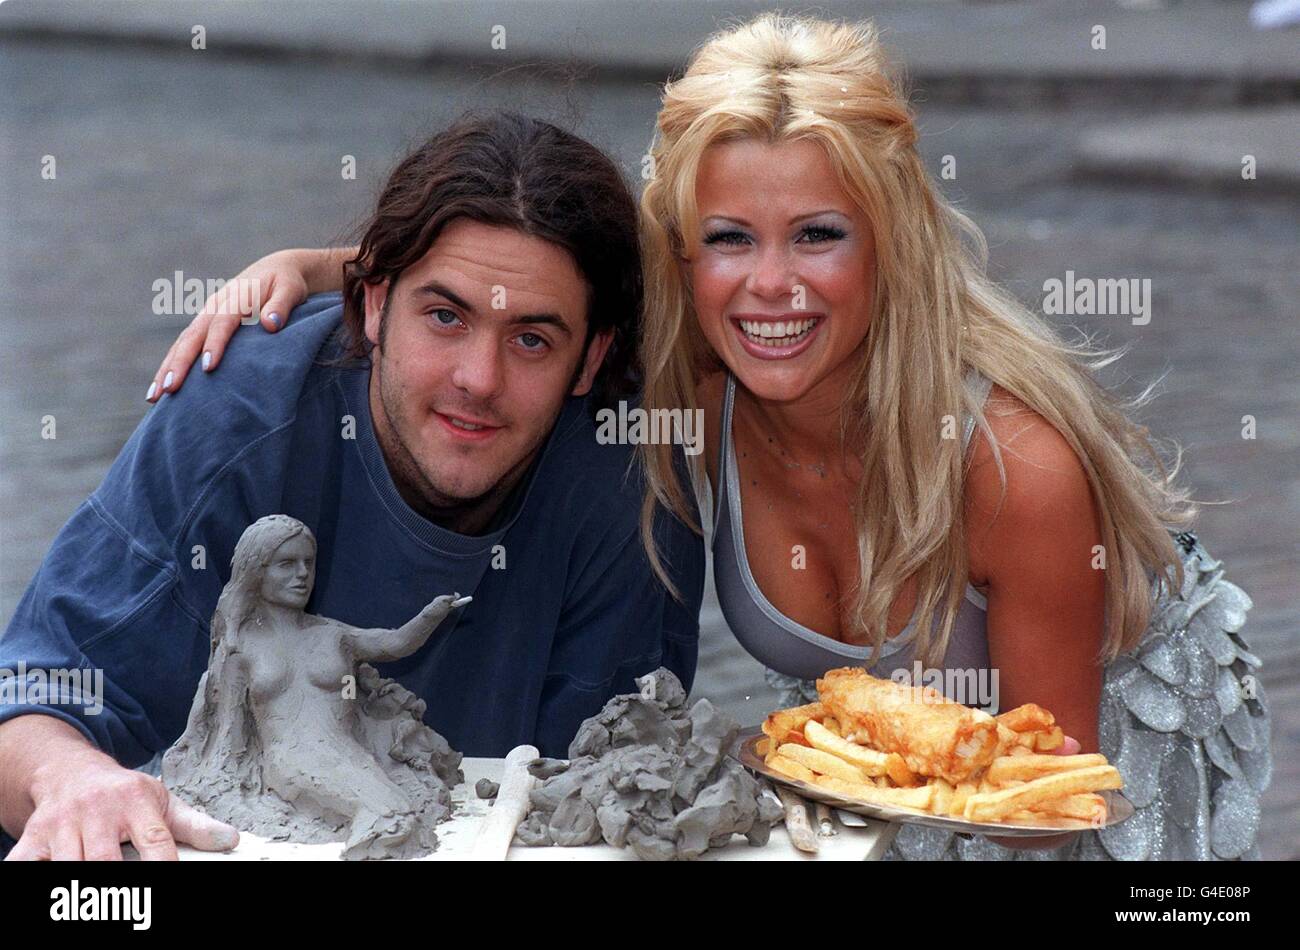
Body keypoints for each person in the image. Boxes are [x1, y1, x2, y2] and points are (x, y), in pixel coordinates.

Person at [141, 15, 1271, 861]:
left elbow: (1044, 812)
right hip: (898, 805)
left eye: (819, 234)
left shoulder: (1012, 468)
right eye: (728, 237)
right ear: (680, 256)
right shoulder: (697, 370)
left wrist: (825, 776)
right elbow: (511, 263)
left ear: (892, 243)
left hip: (1095, 780)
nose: (769, 286)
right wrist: (317, 269)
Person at [0, 111, 705, 861]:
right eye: (444, 317)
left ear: (592, 362)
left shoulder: (634, 473)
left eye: (532, 339)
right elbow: (27, 709)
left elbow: (607, 793)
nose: (478, 381)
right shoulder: (238, 420)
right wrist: (72, 777)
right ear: (374, 305)